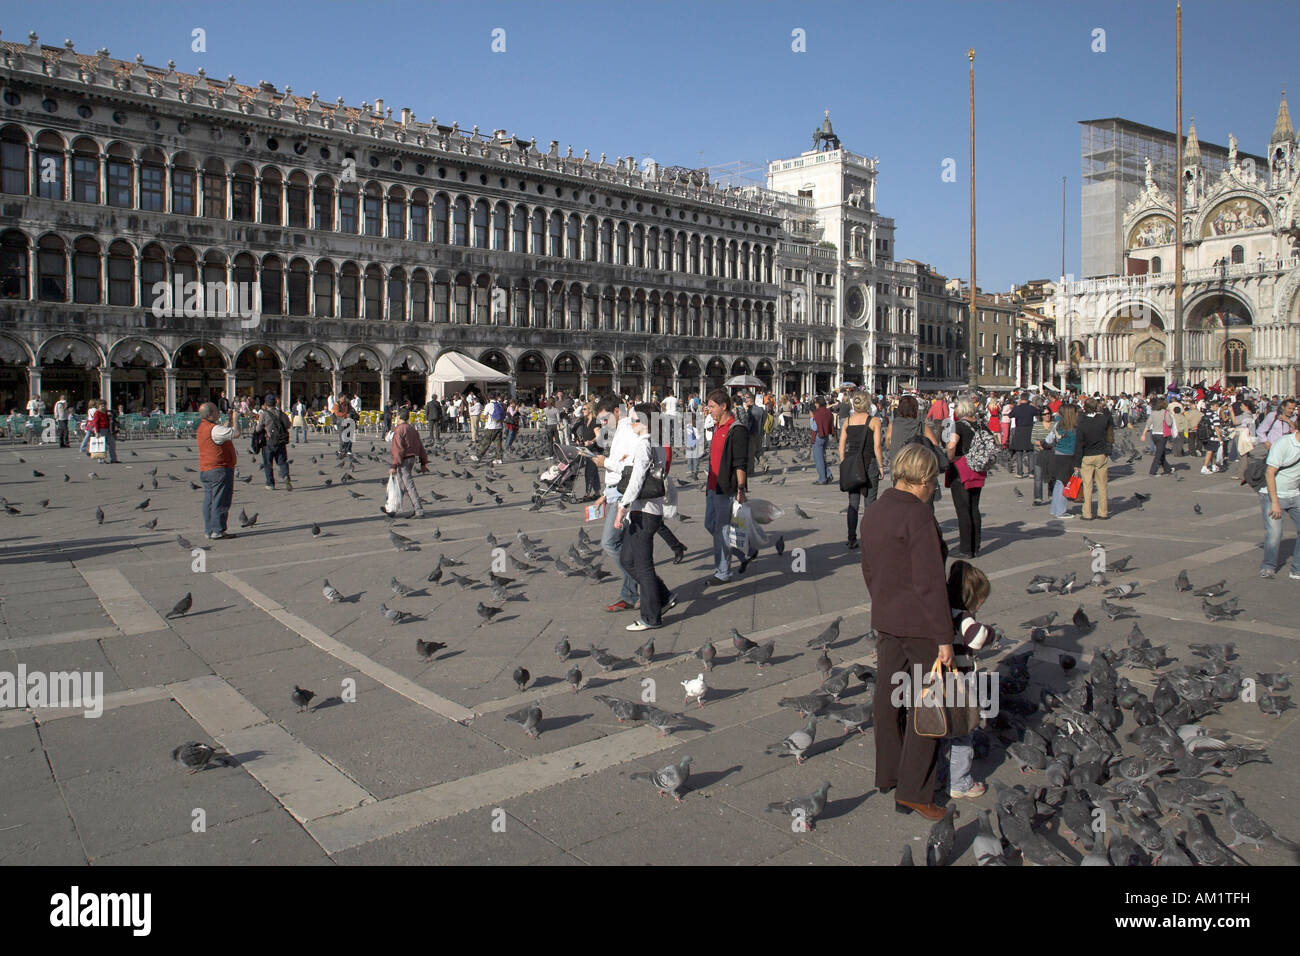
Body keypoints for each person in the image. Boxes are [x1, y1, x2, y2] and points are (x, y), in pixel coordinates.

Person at [861, 442, 952, 820]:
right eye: (933, 482)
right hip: (919, 624)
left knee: (888, 699)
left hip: (886, 618)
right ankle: (915, 790)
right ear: (924, 479)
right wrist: (945, 638)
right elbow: (930, 583)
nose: (934, 489)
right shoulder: (918, 516)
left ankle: (889, 774)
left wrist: (882, 602)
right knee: (927, 705)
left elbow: (868, 569)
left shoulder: (876, 510)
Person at [614, 403, 678, 631]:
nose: (631, 424)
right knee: (627, 559)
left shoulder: (644, 444)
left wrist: (622, 506)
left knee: (643, 566)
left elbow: (637, 480)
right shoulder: (657, 442)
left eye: (634, 420)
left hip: (644, 511)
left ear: (646, 422)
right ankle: (665, 596)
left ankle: (651, 617)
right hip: (647, 510)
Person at [944, 560, 993, 800]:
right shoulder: (963, 615)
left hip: (941, 683)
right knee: (963, 735)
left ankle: (942, 775)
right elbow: (975, 639)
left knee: (944, 730)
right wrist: (989, 632)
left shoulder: (942, 609)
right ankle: (960, 782)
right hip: (960, 684)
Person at [592, 395, 641, 613]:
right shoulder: (618, 431)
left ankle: (645, 582)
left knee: (609, 542)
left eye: (604, 419)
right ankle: (630, 593)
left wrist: (605, 462)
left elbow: (630, 464)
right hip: (615, 493)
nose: (603, 425)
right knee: (625, 547)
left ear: (617, 411)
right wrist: (605, 493)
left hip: (625, 496)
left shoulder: (628, 429)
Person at [702, 389, 750, 587]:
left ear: (724, 406)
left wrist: (741, 488)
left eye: (712, 406)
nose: (709, 410)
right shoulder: (717, 426)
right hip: (712, 485)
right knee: (710, 524)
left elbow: (740, 462)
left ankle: (723, 571)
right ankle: (743, 552)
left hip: (726, 487)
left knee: (721, 529)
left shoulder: (736, 429)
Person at [839, 392, 882, 550]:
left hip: (852, 464)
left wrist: (844, 461)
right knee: (870, 503)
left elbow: (841, 445)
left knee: (853, 504)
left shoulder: (847, 421)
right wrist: (881, 466)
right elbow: (877, 446)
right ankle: (869, 538)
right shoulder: (874, 421)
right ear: (867, 404)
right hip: (869, 463)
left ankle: (851, 538)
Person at [945, 399, 987, 557]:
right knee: (974, 507)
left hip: (962, 469)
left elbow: (951, 445)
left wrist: (949, 458)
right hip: (979, 468)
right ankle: (975, 546)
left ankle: (965, 549)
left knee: (963, 509)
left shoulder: (959, 425)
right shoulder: (982, 424)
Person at [198, 402, 241, 539]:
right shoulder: (214, 429)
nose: (219, 412)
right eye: (217, 411)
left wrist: (228, 420)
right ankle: (218, 530)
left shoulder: (202, 428)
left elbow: (221, 432)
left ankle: (209, 529)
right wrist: (236, 419)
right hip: (219, 468)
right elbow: (236, 433)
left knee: (209, 500)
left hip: (206, 469)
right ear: (211, 414)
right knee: (220, 500)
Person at [1073, 397, 1113, 520]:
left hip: (1087, 456)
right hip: (1101, 454)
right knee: (1102, 485)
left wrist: (1077, 462)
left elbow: (1079, 444)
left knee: (1088, 486)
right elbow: (1109, 436)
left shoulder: (1082, 423)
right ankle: (1103, 512)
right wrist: (1108, 451)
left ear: (1085, 407)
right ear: (1096, 407)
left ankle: (1087, 513)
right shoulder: (1103, 419)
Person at [388, 407, 429, 518]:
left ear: (399, 417)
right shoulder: (412, 429)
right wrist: (423, 462)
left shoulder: (399, 429)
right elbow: (420, 446)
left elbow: (398, 449)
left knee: (408, 485)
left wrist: (394, 465)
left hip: (404, 460)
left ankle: (419, 509)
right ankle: (392, 509)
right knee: (401, 485)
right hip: (412, 458)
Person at [256, 394, 292, 491]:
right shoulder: (281, 413)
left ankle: (270, 483)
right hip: (281, 441)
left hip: (269, 441)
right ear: (275, 403)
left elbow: (258, 428)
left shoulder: (264, 414)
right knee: (282, 461)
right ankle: (285, 475)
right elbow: (288, 425)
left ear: (266, 403)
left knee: (268, 463)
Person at [1007, 392, 1041, 476]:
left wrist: (1017, 405)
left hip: (1019, 430)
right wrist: (1032, 405)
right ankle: (1031, 472)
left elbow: (1010, 415)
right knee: (1030, 452)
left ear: (1021, 399)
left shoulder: (1017, 408)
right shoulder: (1031, 408)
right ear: (1028, 399)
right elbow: (1039, 412)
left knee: (1019, 452)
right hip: (1029, 430)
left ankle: (1019, 472)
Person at [1141, 397, 1175, 476]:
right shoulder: (1165, 413)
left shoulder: (1153, 412)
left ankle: (1167, 469)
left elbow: (1148, 424)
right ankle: (1152, 471)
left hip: (1154, 435)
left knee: (1161, 452)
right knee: (1158, 454)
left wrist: (1143, 434)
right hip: (1162, 435)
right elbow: (1169, 423)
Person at [472, 393, 505, 463]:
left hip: (491, 426)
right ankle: (499, 458)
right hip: (499, 426)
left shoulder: (489, 405)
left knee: (486, 442)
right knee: (498, 443)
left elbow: (484, 415)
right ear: (496, 397)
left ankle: (478, 456)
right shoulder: (499, 404)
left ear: (489, 398)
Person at [810, 397, 834, 484]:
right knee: (821, 457)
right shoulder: (828, 412)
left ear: (818, 404)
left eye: (816, 403)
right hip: (826, 436)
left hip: (818, 436)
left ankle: (822, 479)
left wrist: (811, 418)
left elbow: (814, 427)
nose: (815, 405)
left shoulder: (817, 413)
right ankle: (828, 474)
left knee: (818, 459)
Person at [333, 392, 354, 456]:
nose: (345, 399)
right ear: (340, 398)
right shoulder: (336, 404)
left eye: (345, 398)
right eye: (343, 398)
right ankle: (342, 450)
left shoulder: (347, 403)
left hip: (348, 420)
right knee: (342, 437)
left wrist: (351, 413)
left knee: (348, 436)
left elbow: (351, 409)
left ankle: (347, 450)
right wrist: (345, 415)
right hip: (341, 421)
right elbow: (337, 414)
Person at [684, 411, 703, 480]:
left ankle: (694, 473)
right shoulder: (689, 426)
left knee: (694, 459)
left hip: (694, 444)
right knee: (691, 459)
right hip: (690, 444)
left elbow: (698, 436)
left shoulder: (694, 427)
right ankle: (692, 472)